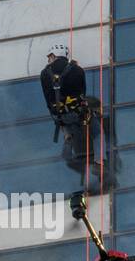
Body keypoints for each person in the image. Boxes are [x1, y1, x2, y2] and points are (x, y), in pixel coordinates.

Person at [39, 42, 102, 187]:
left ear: (54, 55)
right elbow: (82, 93)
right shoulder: (77, 70)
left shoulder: (44, 74)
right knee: (98, 133)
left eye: (49, 57)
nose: (48, 60)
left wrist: (56, 113)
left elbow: (47, 98)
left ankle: (67, 136)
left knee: (64, 124)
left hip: (60, 116)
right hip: (78, 112)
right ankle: (99, 162)